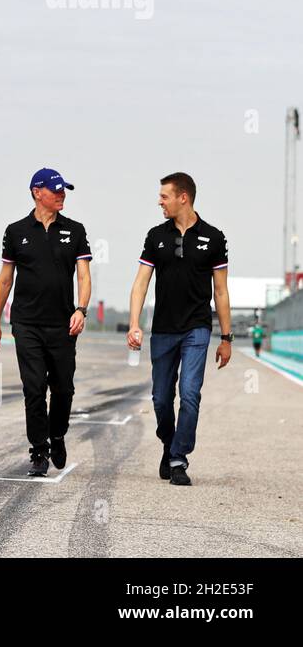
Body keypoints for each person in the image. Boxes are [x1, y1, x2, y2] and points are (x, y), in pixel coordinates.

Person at [127, 172, 231, 487]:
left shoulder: (213, 237)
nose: (160, 201)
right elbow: (141, 283)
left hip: (197, 328)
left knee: (189, 393)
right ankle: (169, 442)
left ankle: (178, 458)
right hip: (163, 330)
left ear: (182, 196)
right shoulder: (155, 236)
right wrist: (134, 324)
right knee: (160, 398)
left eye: (164, 196)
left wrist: (226, 338)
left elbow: (221, 292)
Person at [0, 168, 92, 477]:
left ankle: (57, 432)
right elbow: (5, 279)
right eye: (55, 190)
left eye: (64, 191)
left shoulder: (75, 230)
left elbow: (84, 275)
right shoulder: (15, 230)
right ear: (37, 192)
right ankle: (39, 451)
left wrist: (81, 309)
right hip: (27, 323)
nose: (61, 195)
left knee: (63, 390)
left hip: (63, 325)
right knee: (34, 389)